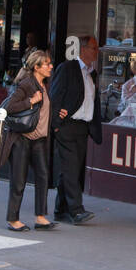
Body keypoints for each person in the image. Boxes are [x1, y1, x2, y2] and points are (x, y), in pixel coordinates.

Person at [49, 35, 102, 225]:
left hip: (83, 128)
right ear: (83, 49)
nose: (97, 52)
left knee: (71, 170)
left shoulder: (92, 74)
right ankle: (77, 210)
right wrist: (55, 124)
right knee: (71, 169)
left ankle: (60, 210)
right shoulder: (68, 68)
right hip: (67, 125)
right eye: (94, 48)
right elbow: (55, 96)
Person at [3, 49, 55, 233]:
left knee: (43, 177)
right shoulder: (26, 84)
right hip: (22, 139)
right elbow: (8, 107)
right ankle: (13, 219)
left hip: (39, 139)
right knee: (19, 180)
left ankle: (40, 217)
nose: (50, 66)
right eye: (47, 64)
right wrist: (31, 101)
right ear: (37, 67)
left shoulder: (44, 85)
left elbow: (44, 113)